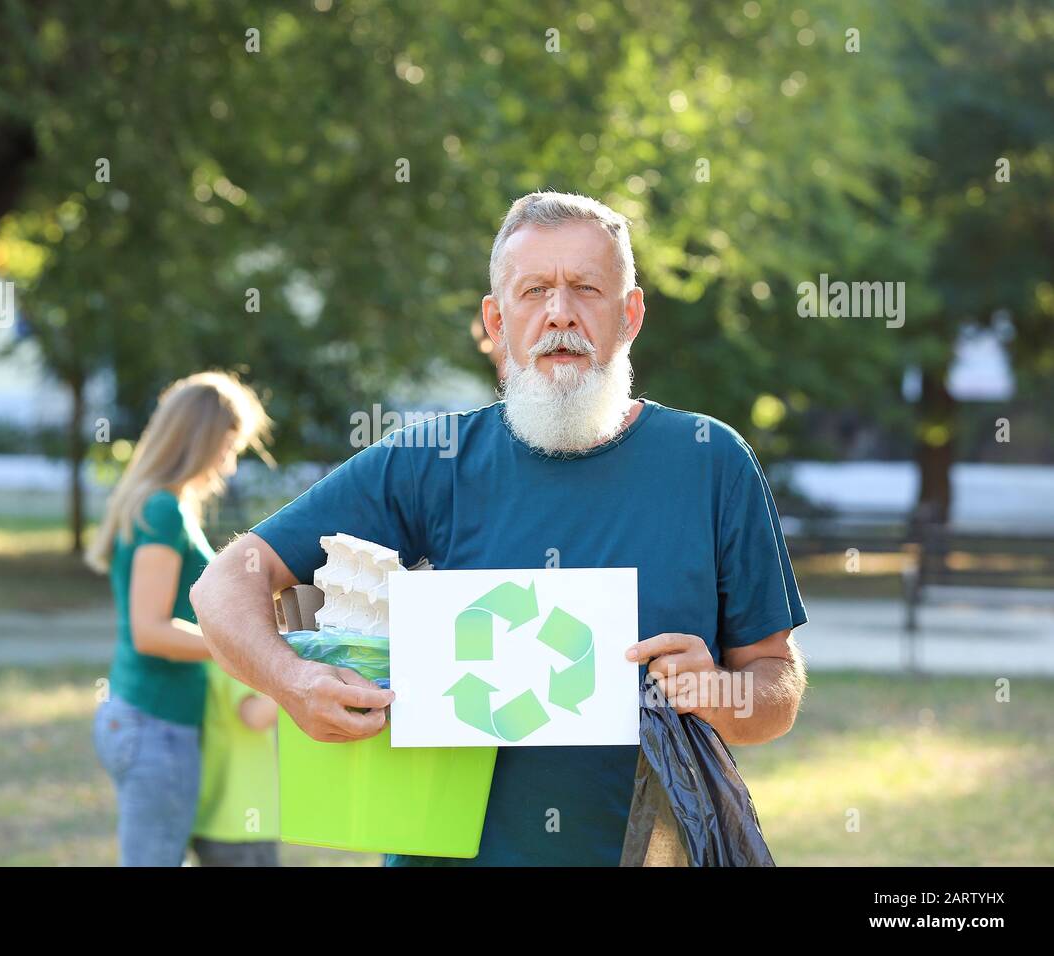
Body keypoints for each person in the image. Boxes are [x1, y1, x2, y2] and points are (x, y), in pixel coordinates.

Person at [191, 190, 808, 866]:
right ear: (497, 319)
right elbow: (222, 585)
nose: (559, 314)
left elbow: (774, 684)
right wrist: (292, 681)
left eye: (587, 289)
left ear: (630, 314)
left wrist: (722, 690)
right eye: (533, 290)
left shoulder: (709, 460)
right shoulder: (428, 461)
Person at [86, 371, 271, 867]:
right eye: (228, 447)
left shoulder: (164, 506)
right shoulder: (163, 510)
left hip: (151, 721)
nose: (229, 465)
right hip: (155, 724)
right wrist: (243, 646)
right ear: (199, 440)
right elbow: (149, 631)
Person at [190, 660, 281, 866]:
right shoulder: (233, 660)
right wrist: (296, 689)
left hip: (239, 823)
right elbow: (255, 716)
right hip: (238, 823)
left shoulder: (225, 658)